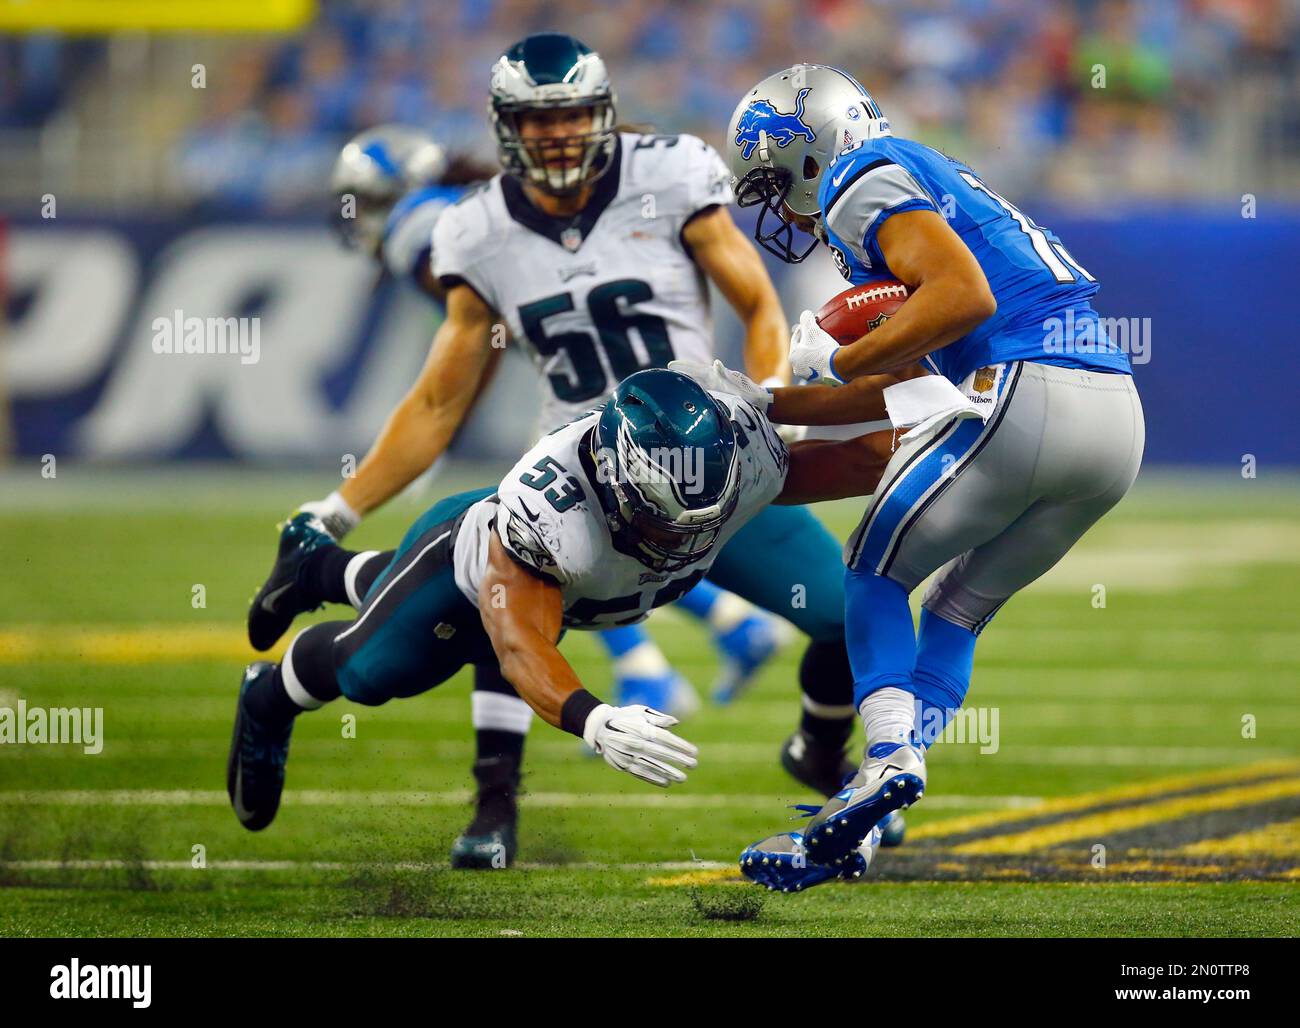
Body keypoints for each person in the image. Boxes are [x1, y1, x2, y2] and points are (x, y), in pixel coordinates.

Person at [247, 36, 872, 869]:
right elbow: (441, 399)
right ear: (508, 127)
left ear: (604, 114)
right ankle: (489, 801)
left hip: (702, 456)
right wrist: (340, 504)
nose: (559, 136)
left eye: (574, 115)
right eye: (540, 121)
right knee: (456, 634)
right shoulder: (478, 229)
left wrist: (762, 421)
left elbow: (757, 303)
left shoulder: (671, 174)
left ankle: (824, 758)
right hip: (584, 477)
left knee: (844, 612)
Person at [709, 63, 1144, 890]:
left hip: (1025, 384)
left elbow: (964, 298)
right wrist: (773, 405)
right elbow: (899, 409)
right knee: (957, 605)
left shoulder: (859, 179)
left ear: (811, 150)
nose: (780, 205)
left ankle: (884, 760)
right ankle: (864, 819)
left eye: (774, 178)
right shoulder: (929, 181)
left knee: (872, 571)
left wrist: (835, 357)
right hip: (1111, 418)